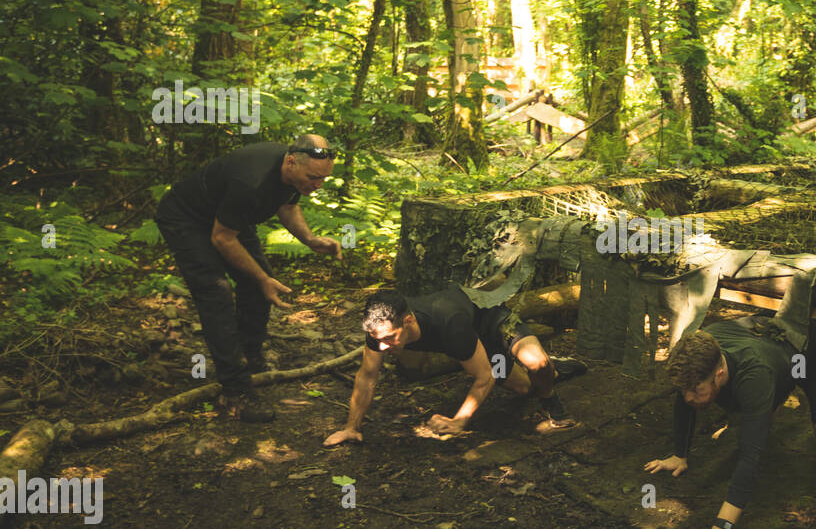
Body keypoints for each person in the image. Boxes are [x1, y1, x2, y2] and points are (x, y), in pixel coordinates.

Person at [154, 135, 342, 423]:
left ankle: (250, 358)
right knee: (216, 294)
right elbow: (222, 238)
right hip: (187, 219)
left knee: (258, 285)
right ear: (291, 162)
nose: (318, 185)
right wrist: (262, 278)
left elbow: (288, 206)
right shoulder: (251, 181)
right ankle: (235, 391)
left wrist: (310, 239)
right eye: (313, 178)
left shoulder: (291, 175)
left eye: (323, 179)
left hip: (230, 218)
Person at [645, 315, 816, 529]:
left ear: (719, 373)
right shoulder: (701, 359)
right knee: (754, 412)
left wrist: (722, 527)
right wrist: (679, 455)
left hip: (813, 347)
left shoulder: (755, 375)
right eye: (685, 390)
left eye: (696, 390)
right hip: (770, 344)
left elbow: (750, 456)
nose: (688, 398)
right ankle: (767, 403)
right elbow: (684, 399)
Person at [323, 288, 586, 447]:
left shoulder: (449, 324)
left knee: (537, 364)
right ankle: (553, 373)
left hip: (492, 322)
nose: (382, 347)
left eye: (390, 338)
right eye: (378, 341)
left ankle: (550, 394)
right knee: (524, 387)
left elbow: (484, 376)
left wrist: (459, 420)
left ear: (409, 321)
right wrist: (351, 427)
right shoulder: (379, 332)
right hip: (475, 343)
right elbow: (367, 377)